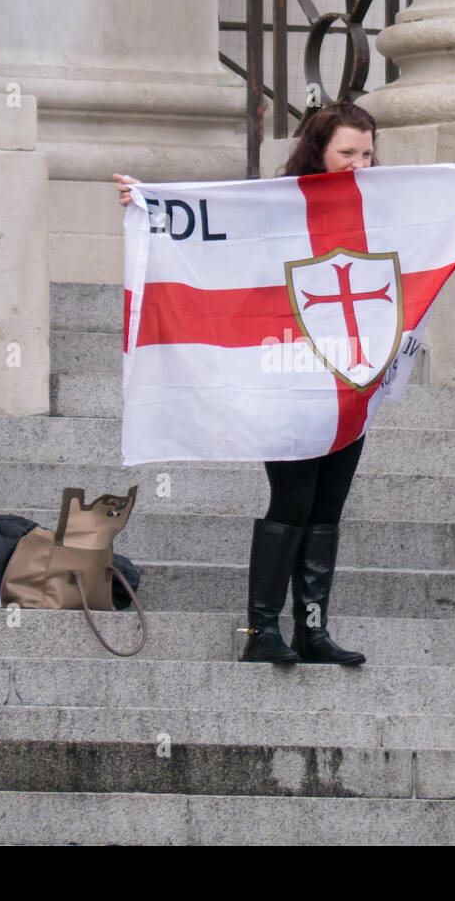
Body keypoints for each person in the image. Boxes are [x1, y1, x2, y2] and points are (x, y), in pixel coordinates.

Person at [114, 101, 379, 665]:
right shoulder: (276, 205)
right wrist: (151, 207)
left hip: (350, 380)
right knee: (294, 498)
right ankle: (262, 633)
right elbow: (219, 233)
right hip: (286, 378)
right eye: (347, 153)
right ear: (318, 151)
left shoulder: (381, 206)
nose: (359, 164)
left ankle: (312, 631)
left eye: (367, 154)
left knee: (329, 506)